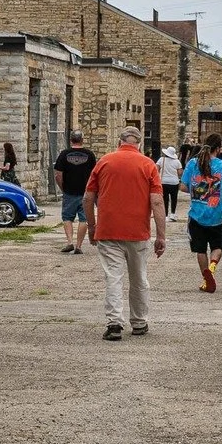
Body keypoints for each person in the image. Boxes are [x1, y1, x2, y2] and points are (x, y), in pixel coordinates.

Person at [84, 126, 167, 340]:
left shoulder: (104, 162)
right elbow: (157, 201)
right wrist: (161, 235)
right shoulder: (148, 165)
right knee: (139, 278)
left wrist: (92, 226)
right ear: (139, 144)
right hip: (138, 231)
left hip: (108, 230)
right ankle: (139, 322)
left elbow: (88, 197)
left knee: (113, 277)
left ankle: (114, 323)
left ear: (119, 142)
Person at [181, 135, 222, 292]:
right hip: (216, 214)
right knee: (218, 246)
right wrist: (217, 191)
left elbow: (183, 186)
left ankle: (206, 280)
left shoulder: (193, 163)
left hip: (196, 214)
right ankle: (211, 269)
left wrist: (198, 191)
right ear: (218, 149)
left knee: (200, 249)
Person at [52, 131, 97, 254]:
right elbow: (94, 174)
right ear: (82, 140)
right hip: (86, 193)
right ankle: (78, 246)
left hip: (69, 191)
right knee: (83, 219)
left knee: (67, 218)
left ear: (71, 140)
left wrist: (63, 188)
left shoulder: (64, 154)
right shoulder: (89, 155)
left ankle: (70, 242)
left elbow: (58, 174)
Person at [157, 145, 182, 220]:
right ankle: (173, 214)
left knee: (165, 199)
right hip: (174, 182)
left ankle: (166, 215)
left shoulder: (162, 159)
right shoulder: (177, 161)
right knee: (174, 198)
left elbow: (156, 169)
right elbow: (180, 172)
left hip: (163, 182)